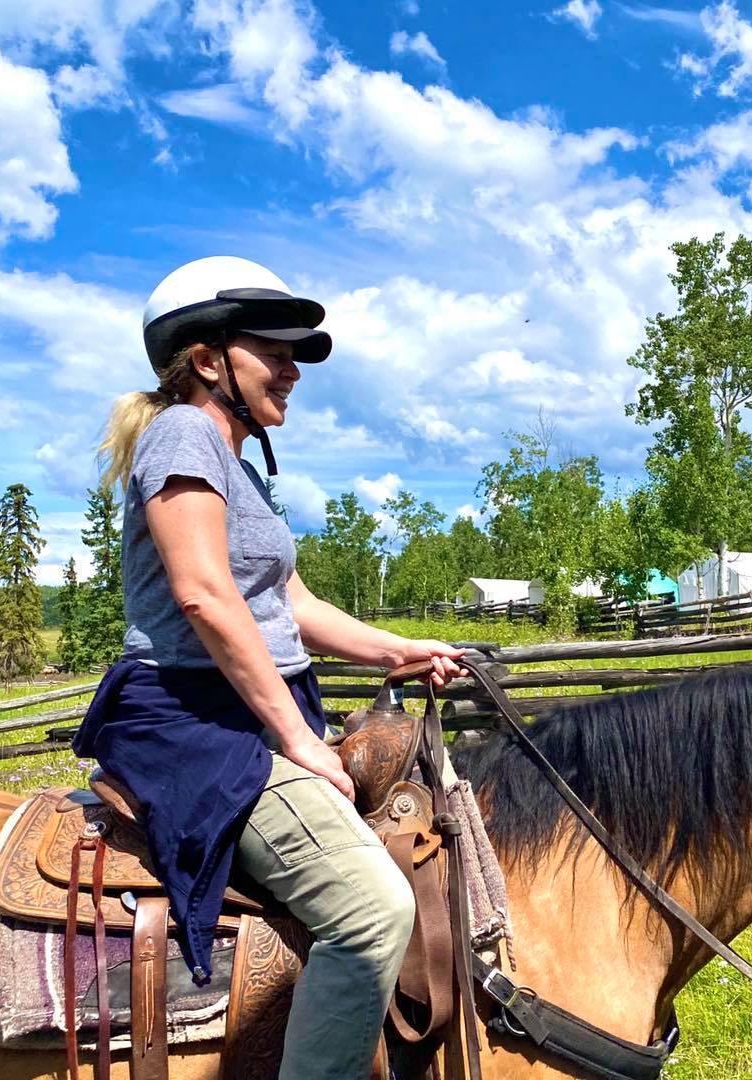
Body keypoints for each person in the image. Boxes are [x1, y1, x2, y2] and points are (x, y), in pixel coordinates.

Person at [72, 255, 465, 1079]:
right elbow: (205, 596)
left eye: (296, 355)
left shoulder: (239, 464)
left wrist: (400, 649)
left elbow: (291, 602)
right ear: (208, 360)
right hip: (196, 720)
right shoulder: (182, 431)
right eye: (271, 351)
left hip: (245, 711)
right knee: (371, 910)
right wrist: (297, 736)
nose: (291, 370)